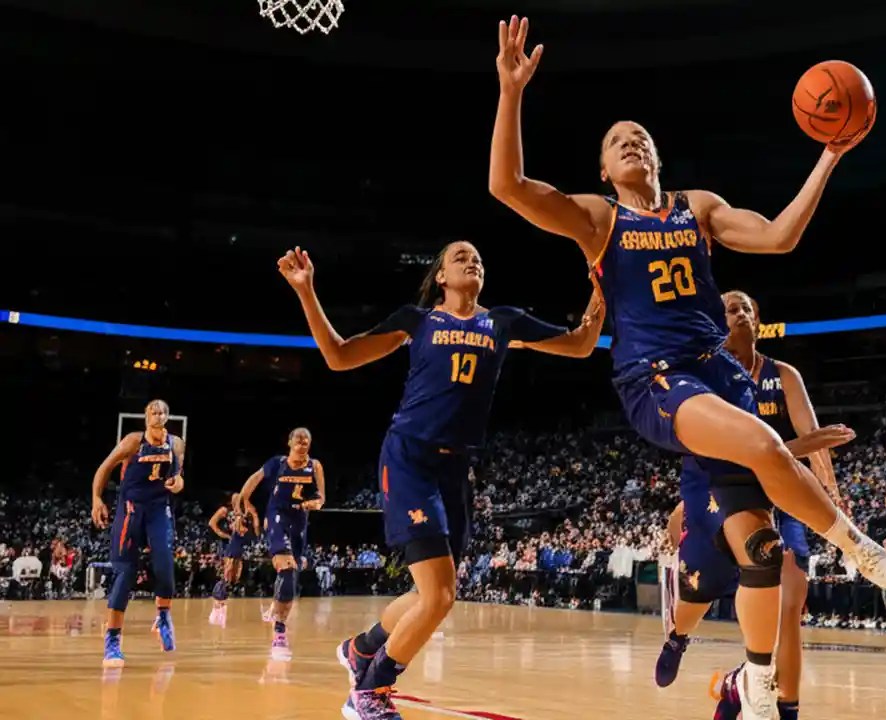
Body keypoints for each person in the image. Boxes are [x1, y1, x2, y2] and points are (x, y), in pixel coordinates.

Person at [489, 16, 886, 719]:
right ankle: (868, 555)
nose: (631, 141)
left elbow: (780, 236)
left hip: (714, 373)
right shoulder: (598, 220)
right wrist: (511, 90)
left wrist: (828, 156)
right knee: (764, 446)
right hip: (655, 377)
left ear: (658, 157)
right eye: (616, 141)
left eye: (640, 136)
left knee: (762, 552)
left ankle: (757, 688)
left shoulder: (696, 208)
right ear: (604, 171)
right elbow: (508, 186)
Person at [272, 241, 604, 720]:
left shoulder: (503, 321)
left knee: (427, 593)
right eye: (461, 256)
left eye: (479, 257)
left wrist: (602, 295)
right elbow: (339, 357)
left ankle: (362, 648)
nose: (473, 260)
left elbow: (581, 343)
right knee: (440, 595)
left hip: (455, 470)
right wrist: (305, 291)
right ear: (442, 278)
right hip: (409, 457)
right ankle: (369, 691)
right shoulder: (419, 320)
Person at [655, 291, 851, 720]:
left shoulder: (783, 375)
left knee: (791, 603)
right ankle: (683, 641)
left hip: (780, 495)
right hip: (724, 488)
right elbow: (736, 452)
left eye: (747, 308)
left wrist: (832, 499)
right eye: (731, 309)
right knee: (703, 584)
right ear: (715, 321)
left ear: (758, 321)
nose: (740, 314)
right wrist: (802, 446)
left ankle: (777, 705)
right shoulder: (705, 376)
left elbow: (815, 441)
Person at [91, 398, 185, 668]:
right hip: (131, 508)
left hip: (158, 508)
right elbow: (104, 467)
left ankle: (163, 616)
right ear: (146, 416)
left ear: (168, 416)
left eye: (163, 411)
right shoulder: (134, 441)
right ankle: (112, 640)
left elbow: (179, 478)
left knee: (166, 565)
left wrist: (177, 483)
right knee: (126, 573)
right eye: (153, 411)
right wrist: (98, 499)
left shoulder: (176, 444)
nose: (158, 415)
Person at [235, 428, 324, 659]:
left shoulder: (315, 466)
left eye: (307, 440)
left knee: (291, 574)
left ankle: (277, 608)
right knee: (286, 567)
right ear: (289, 442)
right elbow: (253, 479)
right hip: (277, 517)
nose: (302, 442)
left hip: (299, 519)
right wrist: (244, 504)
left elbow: (321, 498)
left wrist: (315, 503)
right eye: (298, 439)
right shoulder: (278, 463)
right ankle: (280, 632)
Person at [207, 492, 260, 627]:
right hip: (230, 543)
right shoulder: (225, 510)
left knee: (235, 577)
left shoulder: (244, 511)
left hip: (240, 543)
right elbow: (212, 523)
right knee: (227, 572)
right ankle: (218, 604)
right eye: (235, 498)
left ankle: (222, 605)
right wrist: (224, 535)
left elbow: (254, 529)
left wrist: (252, 515)